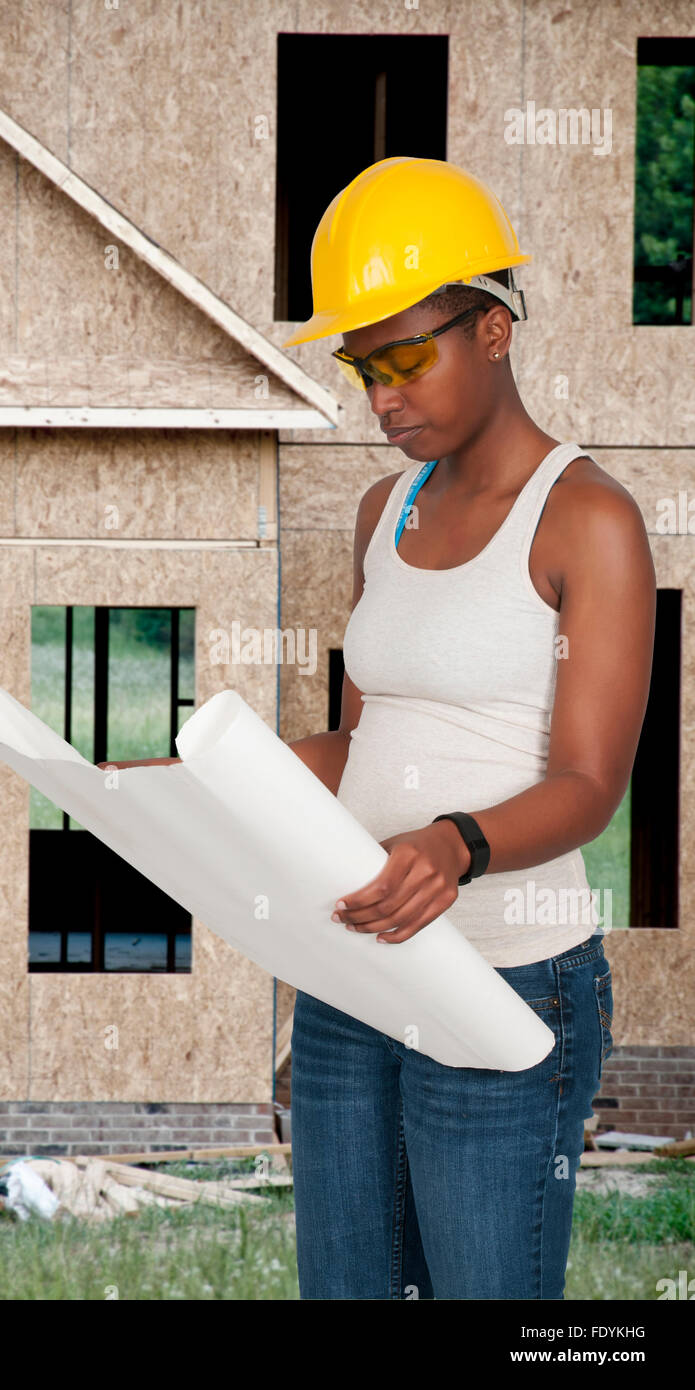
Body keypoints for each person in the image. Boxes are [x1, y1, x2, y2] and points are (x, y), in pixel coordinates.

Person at [279, 157, 656, 1300]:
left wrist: (455, 844)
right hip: (355, 976)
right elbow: (367, 743)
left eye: (402, 359)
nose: (379, 398)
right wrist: (195, 780)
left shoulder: (584, 519)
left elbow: (589, 781)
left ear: (491, 328)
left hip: (503, 975)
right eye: (361, 368)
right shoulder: (380, 509)